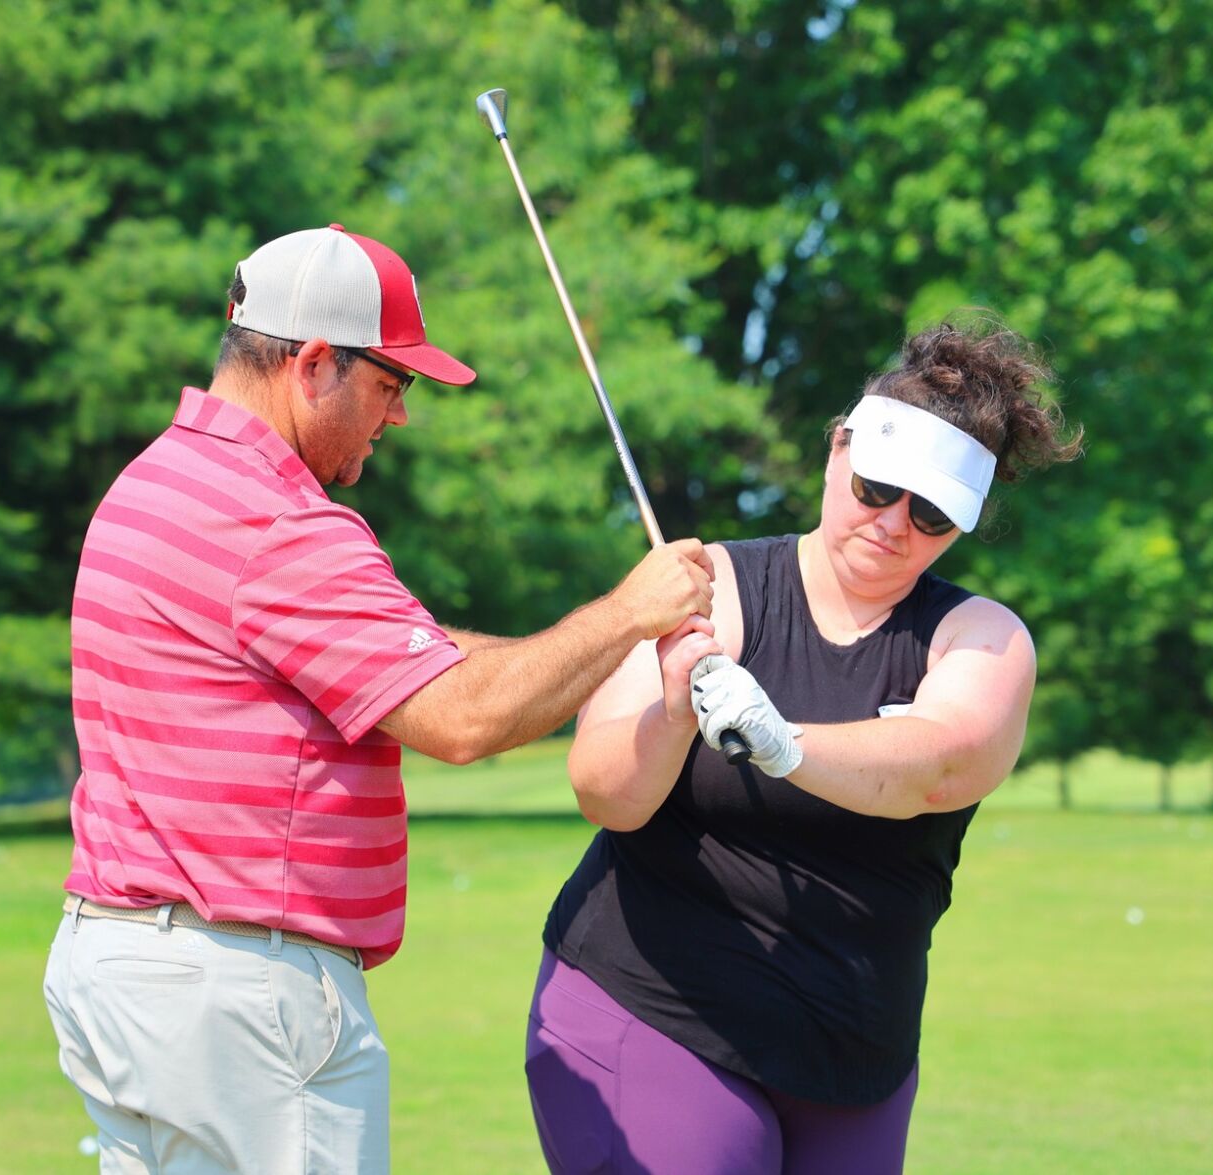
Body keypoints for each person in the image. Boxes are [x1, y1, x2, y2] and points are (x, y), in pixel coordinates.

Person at [42, 223, 716, 1175]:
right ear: (314, 363)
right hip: (242, 994)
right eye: (391, 384)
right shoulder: (279, 522)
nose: (398, 416)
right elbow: (460, 715)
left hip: (126, 974)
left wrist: (609, 659)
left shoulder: (157, 481)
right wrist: (628, 610)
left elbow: (417, 662)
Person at [526, 319, 1082, 1174]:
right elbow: (603, 791)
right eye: (876, 487)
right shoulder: (705, 588)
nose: (893, 524)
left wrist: (781, 743)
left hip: (854, 1059)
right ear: (837, 450)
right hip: (656, 1007)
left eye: (930, 513)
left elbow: (939, 764)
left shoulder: (980, 635)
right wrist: (676, 710)